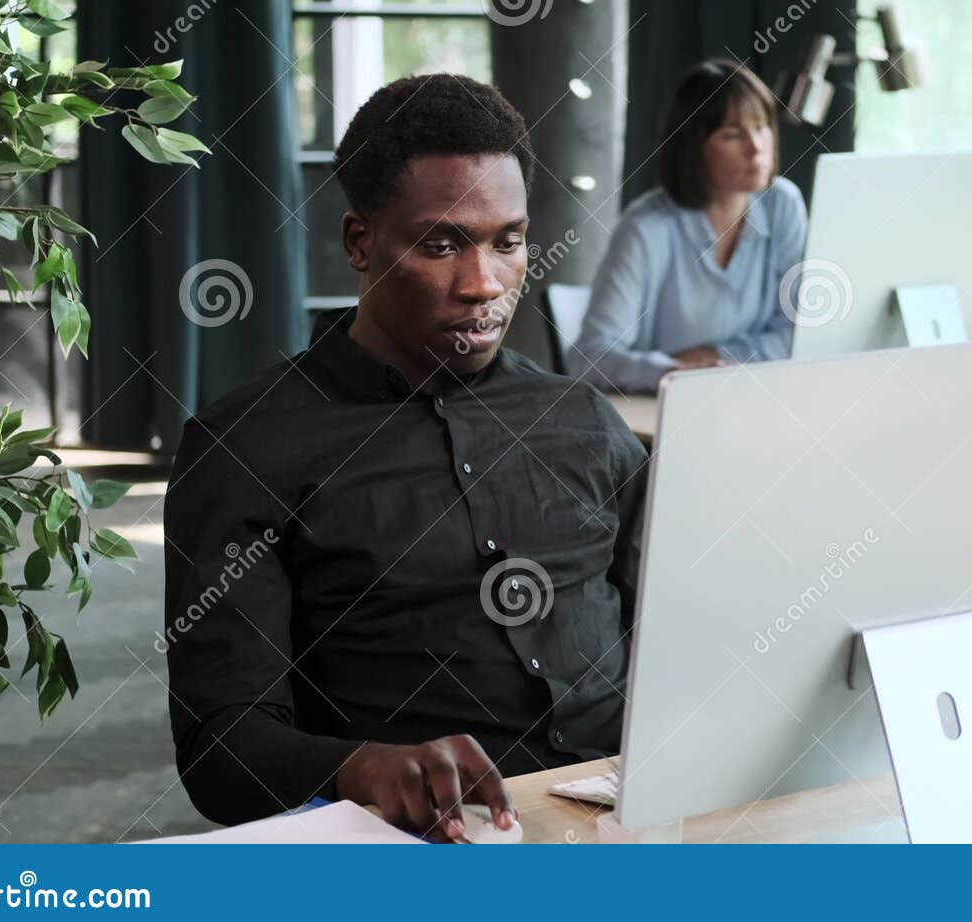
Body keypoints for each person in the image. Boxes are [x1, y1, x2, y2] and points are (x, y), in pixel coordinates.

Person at [162, 75, 648, 842]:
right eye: (442, 243)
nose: (483, 284)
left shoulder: (584, 421)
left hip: (631, 823)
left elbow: (679, 640)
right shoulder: (244, 447)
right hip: (415, 848)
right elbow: (221, 749)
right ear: (361, 242)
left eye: (508, 242)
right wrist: (357, 767)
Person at [572, 59, 808, 393]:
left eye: (761, 126)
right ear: (694, 148)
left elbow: (798, 335)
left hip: (757, 402)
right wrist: (674, 371)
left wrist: (714, 357)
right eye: (732, 133)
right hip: (663, 419)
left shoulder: (783, 204)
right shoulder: (646, 227)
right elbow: (589, 359)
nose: (756, 147)